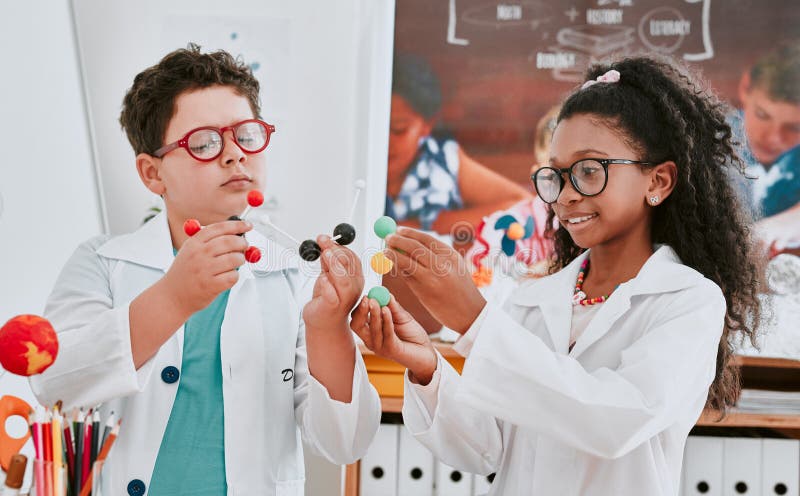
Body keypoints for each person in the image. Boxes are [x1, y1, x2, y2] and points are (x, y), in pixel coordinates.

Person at [352, 56, 763, 495]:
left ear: (658, 181)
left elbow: (615, 423)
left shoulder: (688, 300)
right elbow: (485, 449)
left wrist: (475, 320)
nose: (565, 196)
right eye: (556, 176)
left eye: (589, 170)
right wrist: (425, 365)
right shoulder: (532, 299)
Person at [30, 45, 380, 495]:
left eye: (246, 135)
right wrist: (173, 299)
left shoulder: (294, 275)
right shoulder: (103, 263)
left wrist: (330, 328)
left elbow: (345, 442)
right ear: (153, 174)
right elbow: (54, 383)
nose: (235, 155)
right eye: (204, 143)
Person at [386, 53, 531, 235]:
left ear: (427, 125)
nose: (387, 141)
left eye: (398, 129)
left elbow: (522, 203)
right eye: (377, 131)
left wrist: (429, 225)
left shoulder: (442, 160)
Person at [730, 41, 800, 251]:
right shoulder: (702, 141)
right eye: (762, 115)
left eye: (795, 127)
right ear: (745, 88)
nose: (774, 138)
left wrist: (783, 224)